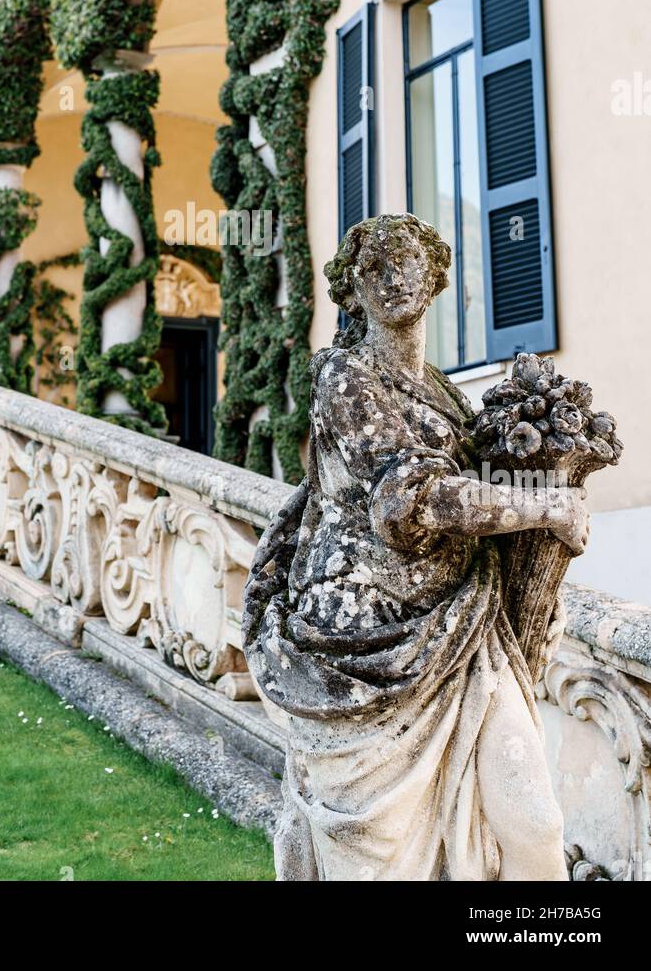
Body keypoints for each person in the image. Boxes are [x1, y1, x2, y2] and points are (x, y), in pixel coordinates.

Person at [243, 213, 587, 881]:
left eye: (407, 262)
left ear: (434, 275)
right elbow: (409, 505)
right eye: (375, 267)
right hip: (364, 652)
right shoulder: (343, 379)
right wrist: (546, 504)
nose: (394, 277)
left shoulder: (450, 398)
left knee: (536, 826)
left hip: (464, 632)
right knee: (385, 865)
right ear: (354, 290)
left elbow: (475, 495)